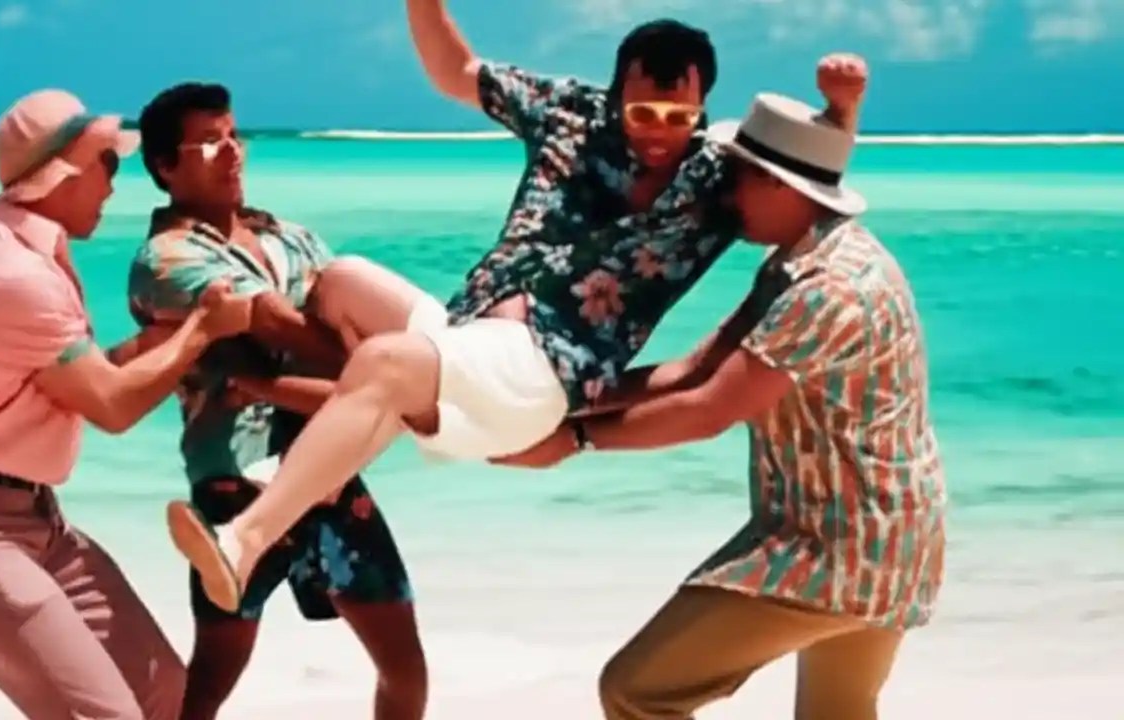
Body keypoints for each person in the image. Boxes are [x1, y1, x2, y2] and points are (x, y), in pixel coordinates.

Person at [165, 1, 870, 615]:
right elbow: (456, 71)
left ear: (701, 107)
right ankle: (334, 452)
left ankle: (247, 539)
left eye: (677, 116)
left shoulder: (716, 178)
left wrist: (842, 113)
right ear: (616, 90)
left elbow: (802, 181)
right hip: (472, 333)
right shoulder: (568, 112)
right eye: (642, 111)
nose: (657, 132)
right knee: (342, 280)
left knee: (384, 362)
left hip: (539, 377)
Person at [498, 92, 947, 720]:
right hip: (892, 541)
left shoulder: (831, 289)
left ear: (780, 184)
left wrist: (574, 444)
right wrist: (563, 403)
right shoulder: (800, 262)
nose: (726, 194)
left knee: (636, 691)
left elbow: (711, 408)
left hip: (835, 549)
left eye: (737, 177)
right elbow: (695, 369)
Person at [0, 89, 252, 720]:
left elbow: (82, 380)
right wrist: (203, 331)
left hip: (28, 519)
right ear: (65, 171)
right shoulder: (7, 273)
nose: (114, 183)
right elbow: (110, 407)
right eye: (109, 163)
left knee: (166, 698)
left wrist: (168, 340)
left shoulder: (29, 255)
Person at [128, 82, 428, 720]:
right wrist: (373, 365)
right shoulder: (167, 259)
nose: (231, 151)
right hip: (238, 489)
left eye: (233, 135)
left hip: (331, 472)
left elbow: (321, 341)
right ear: (164, 166)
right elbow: (283, 330)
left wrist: (350, 361)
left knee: (405, 672)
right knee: (207, 686)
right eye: (208, 142)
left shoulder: (292, 237)